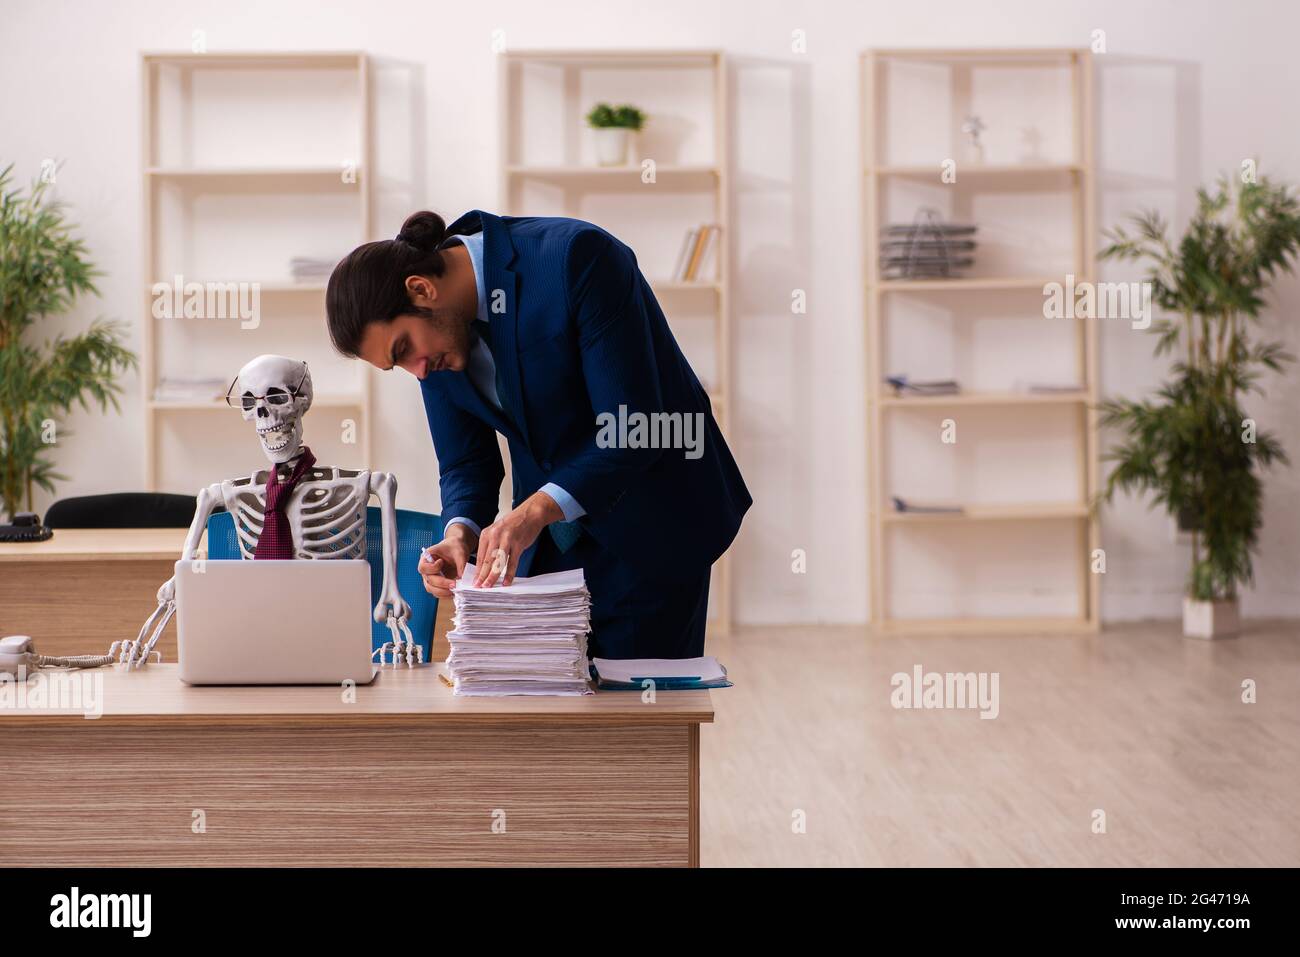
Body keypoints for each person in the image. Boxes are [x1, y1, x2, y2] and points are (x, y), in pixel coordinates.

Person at [325, 209, 750, 659]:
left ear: (421, 289)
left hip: (653, 519)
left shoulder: (575, 258)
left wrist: (531, 513)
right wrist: (459, 534)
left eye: (404, 349)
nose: (418, 371)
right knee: (547, 712)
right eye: (400, 365)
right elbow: (466, 463)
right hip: (548, 545)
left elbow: (634, 426)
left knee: (642, 718)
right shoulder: (433, 351)